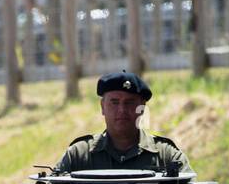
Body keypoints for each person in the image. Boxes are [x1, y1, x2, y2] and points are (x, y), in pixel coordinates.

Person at [54, 71, 192, 174]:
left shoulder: (166, 156)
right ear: (102, 107)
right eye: (114, 102)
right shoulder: (79, 156)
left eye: (130, 103)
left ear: (142, 108)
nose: (122, 110)